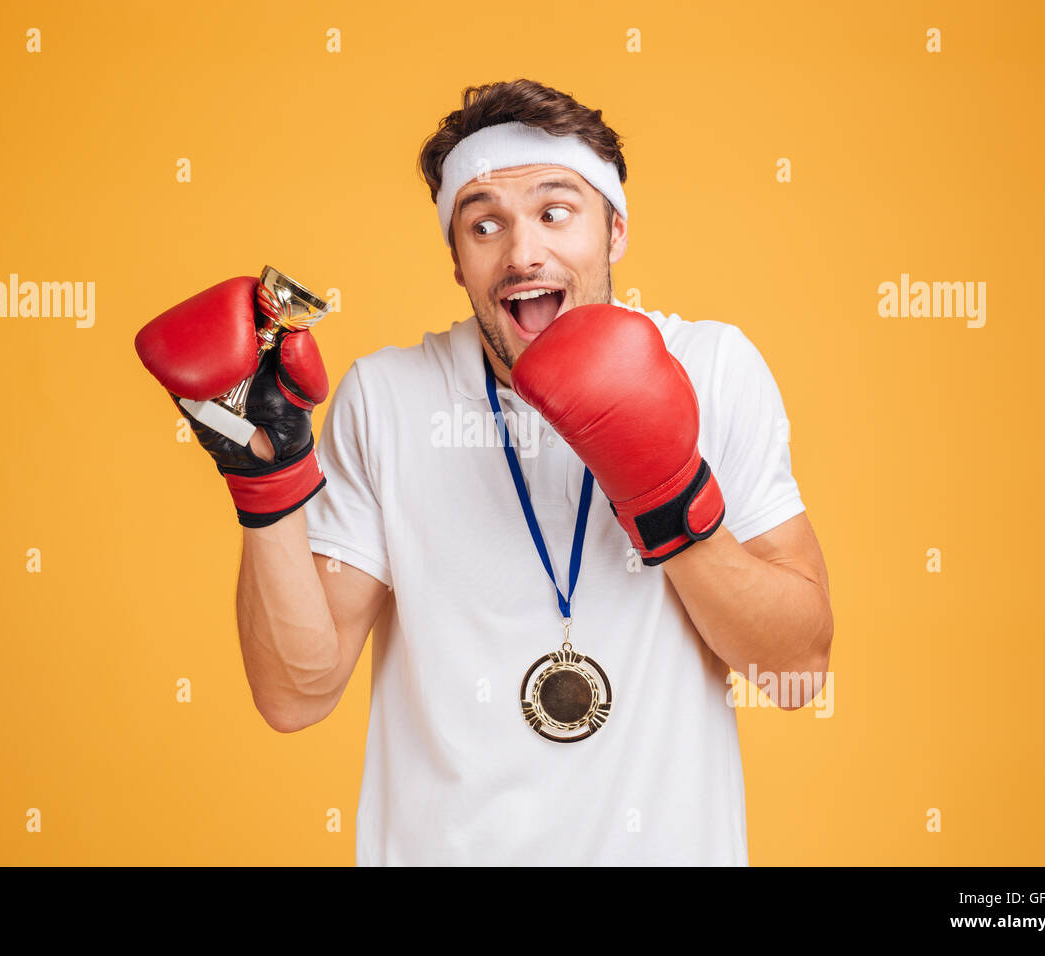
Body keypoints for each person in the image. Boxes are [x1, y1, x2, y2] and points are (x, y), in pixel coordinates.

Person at [177, 79, 832, 865]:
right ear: (457, 261)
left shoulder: (713, 368)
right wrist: (269, 483)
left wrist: (670, 500)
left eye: (556, 213)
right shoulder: (389, 396)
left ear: (615, 230)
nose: (523, 252)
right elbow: (294, 695)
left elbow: (798, 672)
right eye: (484, 224)